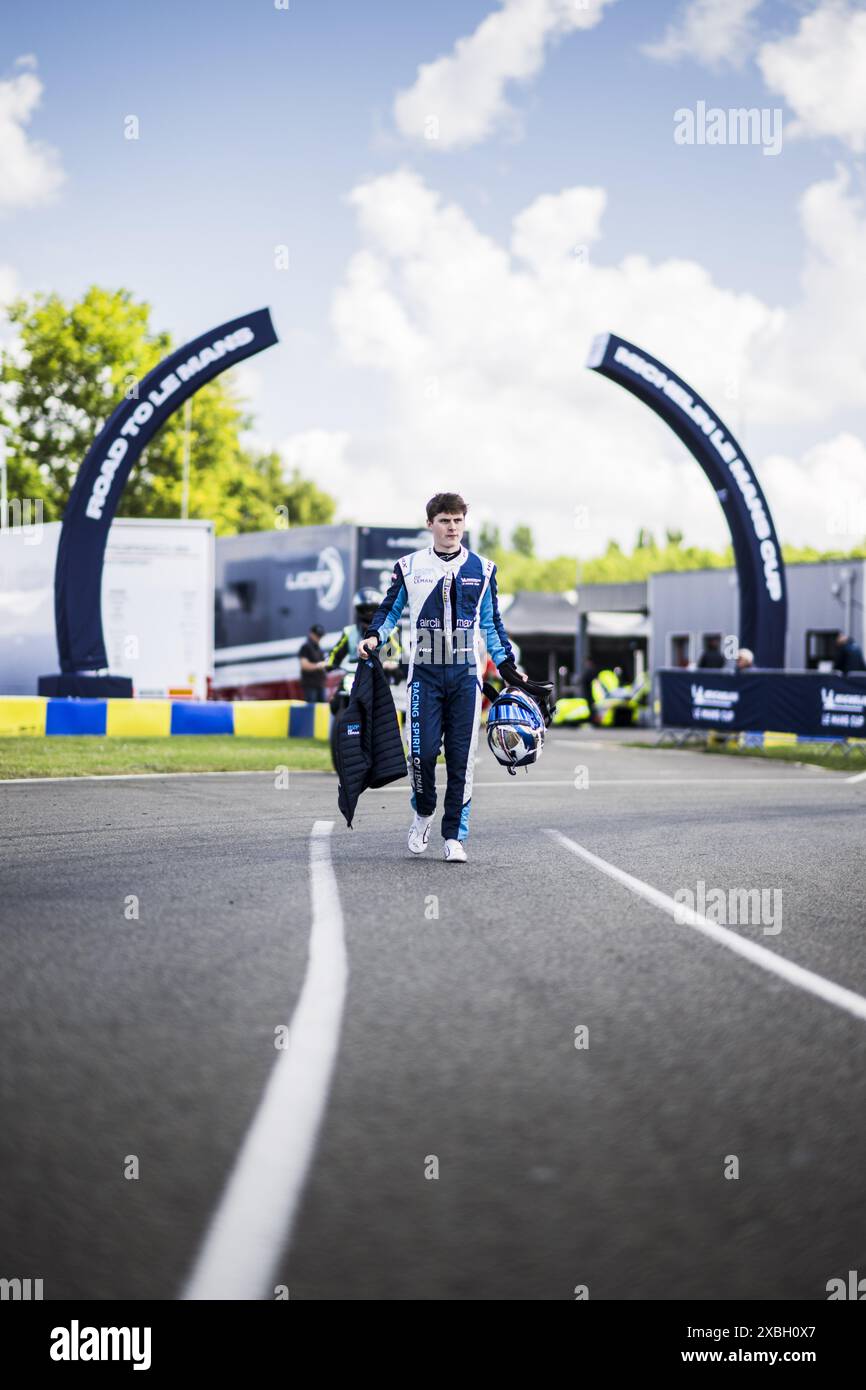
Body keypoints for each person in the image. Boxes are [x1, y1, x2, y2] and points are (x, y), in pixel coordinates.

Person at [357, 491, 527, 863]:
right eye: (445, 521)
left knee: (461, 760)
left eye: (458, 520)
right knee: (421, 753)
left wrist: (507, 665)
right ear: (430, 524)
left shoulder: (483, 569)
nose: (452, 528)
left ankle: (454, 836)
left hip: (467, 677)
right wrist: (374, 636)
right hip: (425, 676)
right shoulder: (408, 566)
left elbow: (491, 624)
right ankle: (423, 812)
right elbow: (389, 610)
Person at [298, 623, 328, 702]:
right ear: (311, 634)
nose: (319, 638)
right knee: (311, 709)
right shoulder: (305, 647)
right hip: (310, 685)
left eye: (320, 636)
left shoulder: (319, 648)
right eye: (317, 635)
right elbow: (304, 665)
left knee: (322, 708)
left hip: (320, 684)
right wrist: (318, 666)